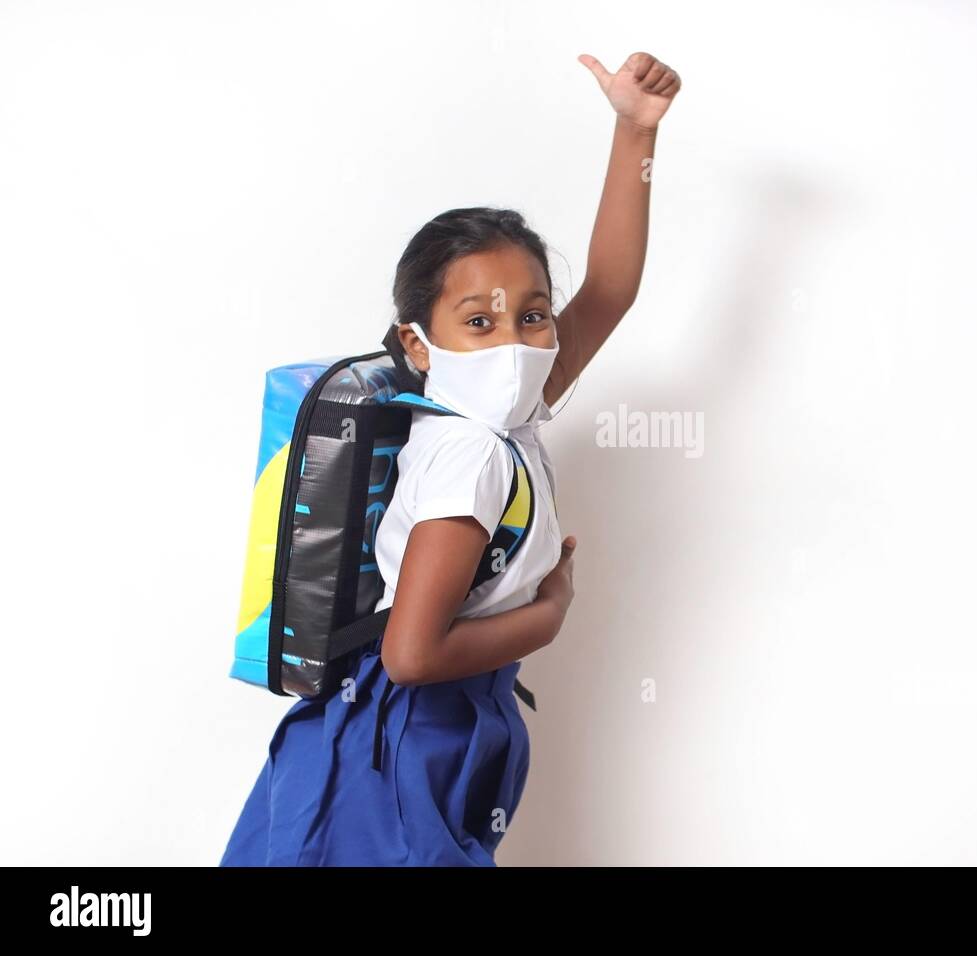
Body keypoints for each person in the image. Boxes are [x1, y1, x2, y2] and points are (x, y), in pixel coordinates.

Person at [219, 51, 682, 866]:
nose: (515, 342)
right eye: (479, 321)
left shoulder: (506, 410)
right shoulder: (471, 451)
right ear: (418, 344)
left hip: (446, 727)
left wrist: (632, 132)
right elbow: (412, 652)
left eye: (534, 315)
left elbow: (608, 288)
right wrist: (550, 613)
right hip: (400, 744)